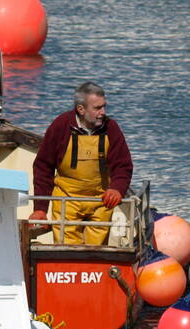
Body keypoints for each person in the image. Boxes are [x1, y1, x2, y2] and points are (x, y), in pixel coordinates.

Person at [29, 82, 133, 246]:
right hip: (67, 199)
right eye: (97, 108)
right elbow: (43, 167)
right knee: (66, 248)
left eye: (104, 107)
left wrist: (117, 188)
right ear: (81, 109)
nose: (103, 113)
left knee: (97, 252)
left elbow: (123, 165)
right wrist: (40, 208)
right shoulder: (61, 126)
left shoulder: (111, 128)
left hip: (101, 200)